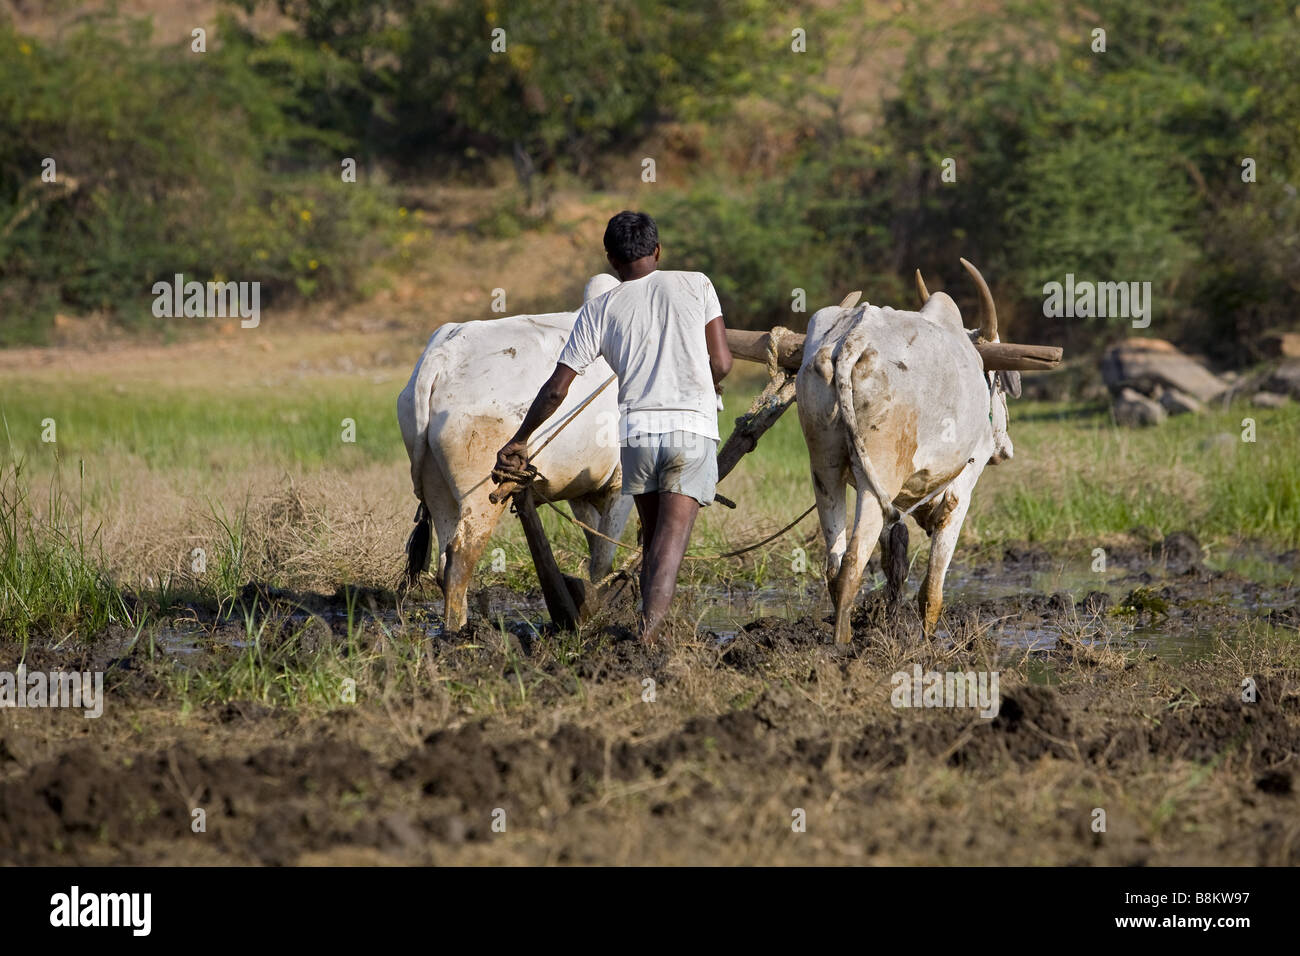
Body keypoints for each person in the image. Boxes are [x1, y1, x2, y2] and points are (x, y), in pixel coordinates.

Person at [494, 210, 732, 642]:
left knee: (656, 538)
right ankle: (649, 632)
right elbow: (722, 361)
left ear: (610, 260)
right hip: (691, 432)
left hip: (637, 438)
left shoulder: (600, 308)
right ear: (658, 250)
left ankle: (648, 626)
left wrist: (520, 438)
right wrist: (707, 383)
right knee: (671, 541)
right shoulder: (697, 284)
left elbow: (555, 389)